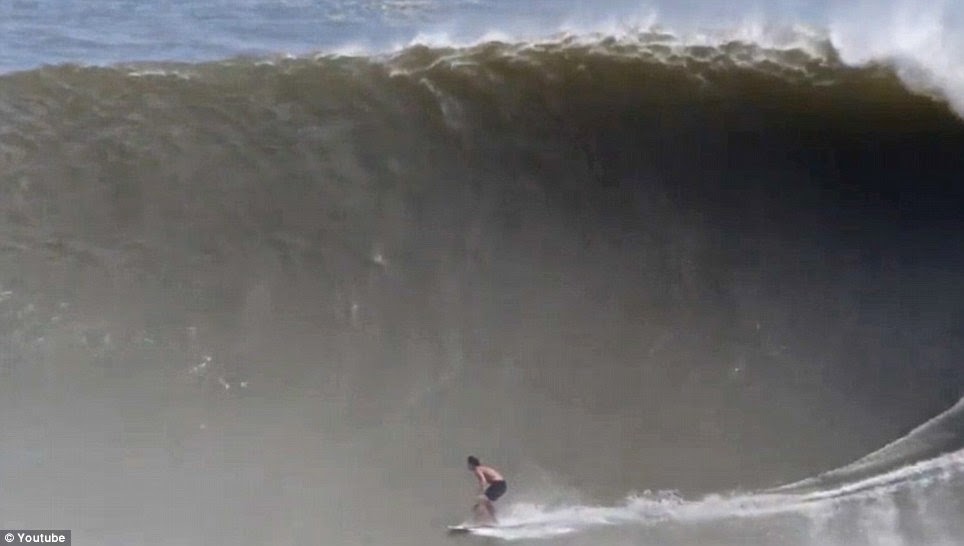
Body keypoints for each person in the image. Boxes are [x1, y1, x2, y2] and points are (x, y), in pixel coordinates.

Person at [467, 455, 507, 524]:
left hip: (498, 484)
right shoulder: (482, 468)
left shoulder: (477, 469)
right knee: (484, 502)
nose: (467, 466)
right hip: (501, 485)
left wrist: (481, 492)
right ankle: (493, 520)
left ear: (471, 464)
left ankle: (491, 521)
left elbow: (483, 481)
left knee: (482, 501)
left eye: (468, 464)